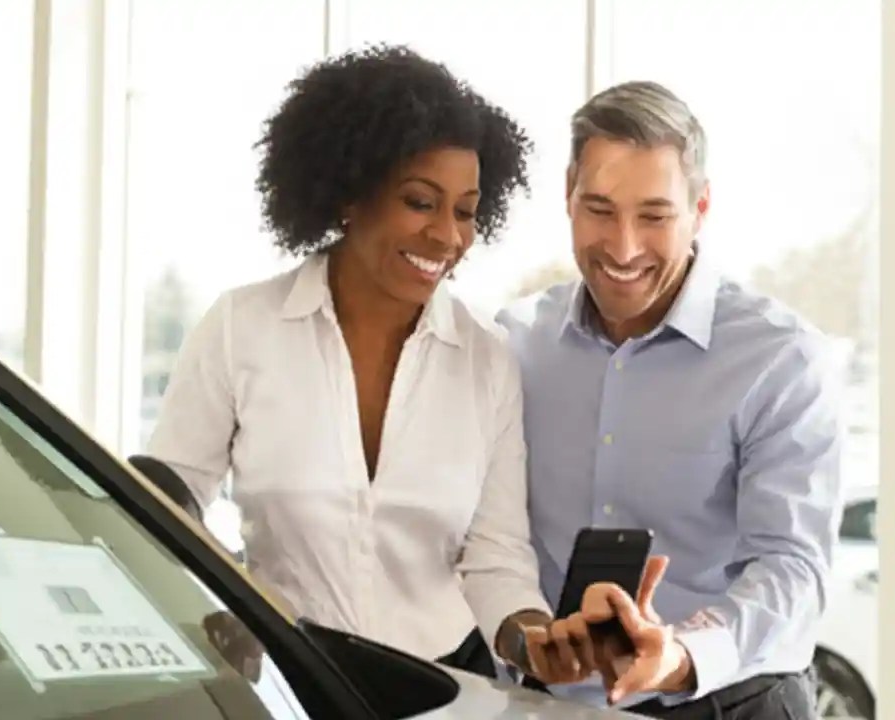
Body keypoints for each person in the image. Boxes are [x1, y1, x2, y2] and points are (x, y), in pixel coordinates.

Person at [145, 45, 580, 683]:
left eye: (465, 211)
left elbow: (496, 558)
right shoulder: (242, 328)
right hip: (287, 676)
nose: (447, 236)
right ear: (350, 195)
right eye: (420, 201)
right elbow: (167, 505)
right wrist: (219, 601)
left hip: (444, 684)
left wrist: (534, 640)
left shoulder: (486, 360)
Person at [496, 80, 844, 719]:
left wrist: (682, 653)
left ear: (700, 207)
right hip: (548, 704)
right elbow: (490, 538)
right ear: (568, 195)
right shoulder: (515, 343)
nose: (623, 246)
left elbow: (792, 566)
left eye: (654, 216)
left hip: (730, 702)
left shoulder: (781, 358)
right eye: (599, 209)